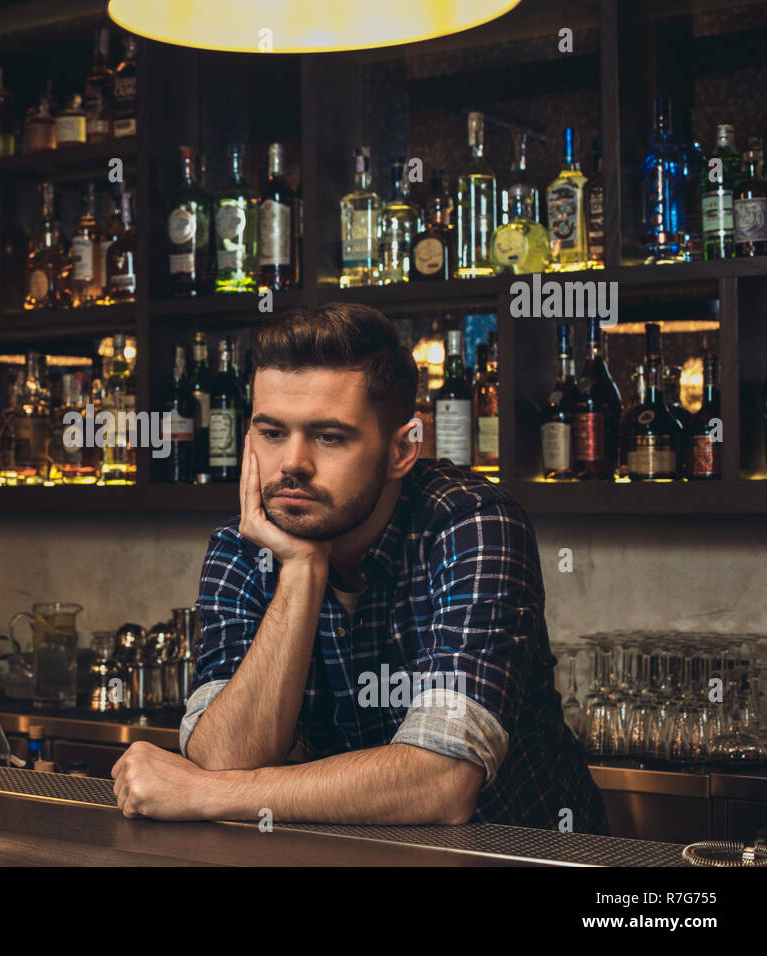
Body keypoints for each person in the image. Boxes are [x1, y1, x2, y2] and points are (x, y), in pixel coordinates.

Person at [111, 304, 608, 833]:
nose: (292, 464)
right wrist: (303, 569)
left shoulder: (472, 523)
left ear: (400, 449)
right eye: (272, 432)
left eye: (329, 437)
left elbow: (440, 783)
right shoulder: (243, 544)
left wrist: (204, 793)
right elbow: (225, 755)